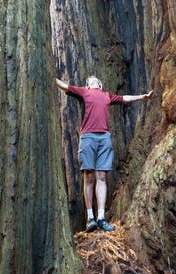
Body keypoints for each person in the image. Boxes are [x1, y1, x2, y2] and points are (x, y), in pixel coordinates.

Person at [56, 75, 153, 232]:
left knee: (101, 176)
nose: (94, 80)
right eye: (90, 80)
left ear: (100, 85)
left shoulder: (107, 95)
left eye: (96, 79)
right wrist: (51, 78)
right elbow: (65, 86)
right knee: (89, 177)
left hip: (104, 138)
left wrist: (142, 97)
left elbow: (125, 98)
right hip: (88, 137)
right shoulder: (83, 92)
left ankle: (101, 218)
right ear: (87, 86)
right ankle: (90, 218)